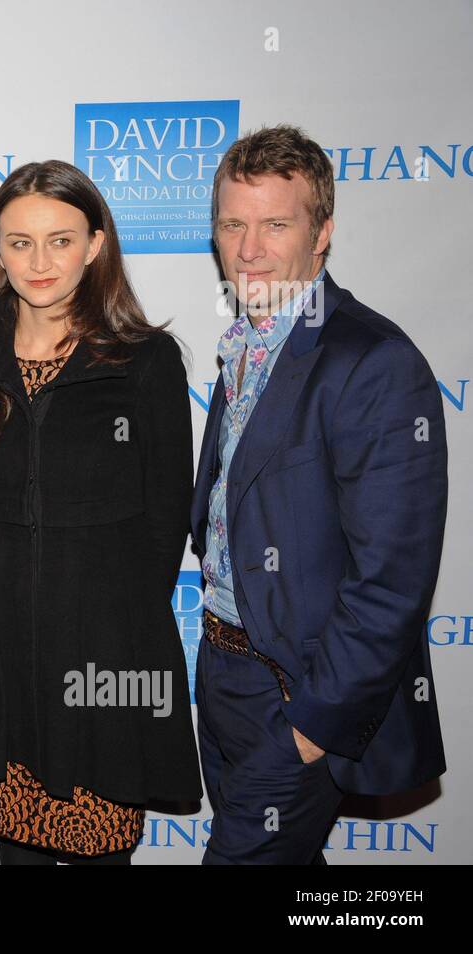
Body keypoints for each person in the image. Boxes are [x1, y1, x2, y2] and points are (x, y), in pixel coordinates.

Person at [0, 161, 201, 864]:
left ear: (95, 245)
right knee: (18, 851)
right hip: (1, 660)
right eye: (20, 243)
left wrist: (111, 626)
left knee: (100, 848)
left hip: (104, 665)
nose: (40, 262)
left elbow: (165, 524)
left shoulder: (145, 361)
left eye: (60, 240)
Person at [191, 124, 447, 864]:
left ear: (322, 232)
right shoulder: (245, 346)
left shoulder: (373, 361)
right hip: (226, 673)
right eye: (232, 225)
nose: (249, 249)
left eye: (276, 225)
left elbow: (392, 580)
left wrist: (313, 723)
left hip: (299, 691)